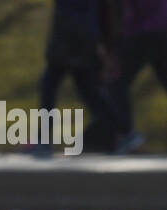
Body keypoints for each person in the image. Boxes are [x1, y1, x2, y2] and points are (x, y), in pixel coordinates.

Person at [33, 0, 123, 154]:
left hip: (65, 40)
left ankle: (43, 142)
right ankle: (122, 131)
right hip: (85, 40)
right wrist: (107, 45)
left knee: (49, 86)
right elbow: (104, 15)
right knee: (89, 91)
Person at [109, 0, 167, 151]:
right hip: (162, 28)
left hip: (140, 32)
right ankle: (126, 134)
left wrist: (117, 43)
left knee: (117, 83)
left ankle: (127, 133)